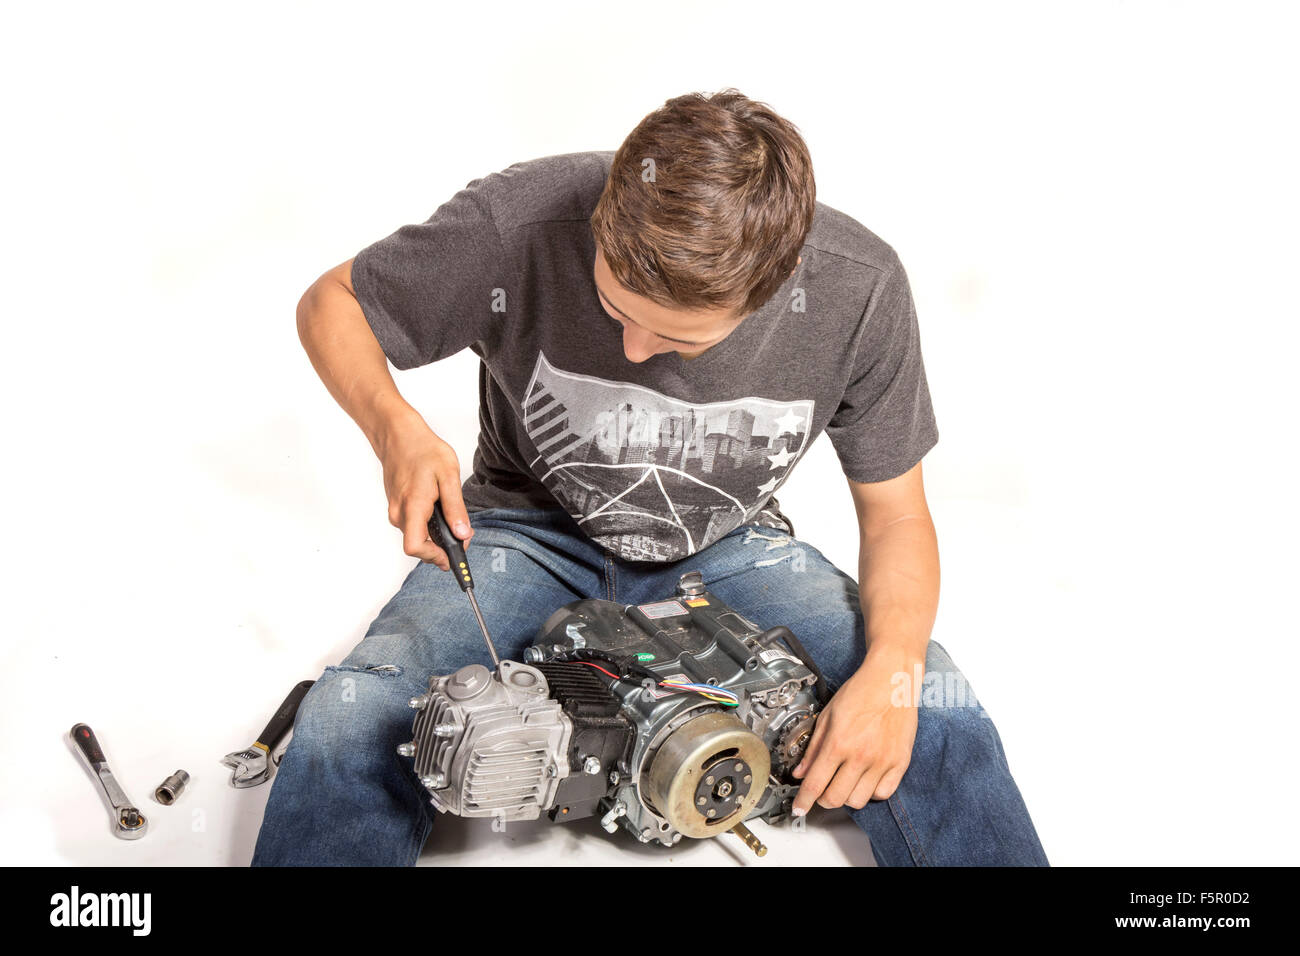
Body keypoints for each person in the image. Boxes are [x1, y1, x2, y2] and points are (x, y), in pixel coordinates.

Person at [252, 89, 1048, 866]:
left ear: (775, 288)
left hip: (733, 549)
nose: (634, 351)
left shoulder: (859, 288)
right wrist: (396, 427)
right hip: (522, 535)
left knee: (933, 709)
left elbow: (897, 516)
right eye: (614, 307)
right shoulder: (520, 219)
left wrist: (894, 670)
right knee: (350, 721)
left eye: (677, 340)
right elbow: (334, 302)